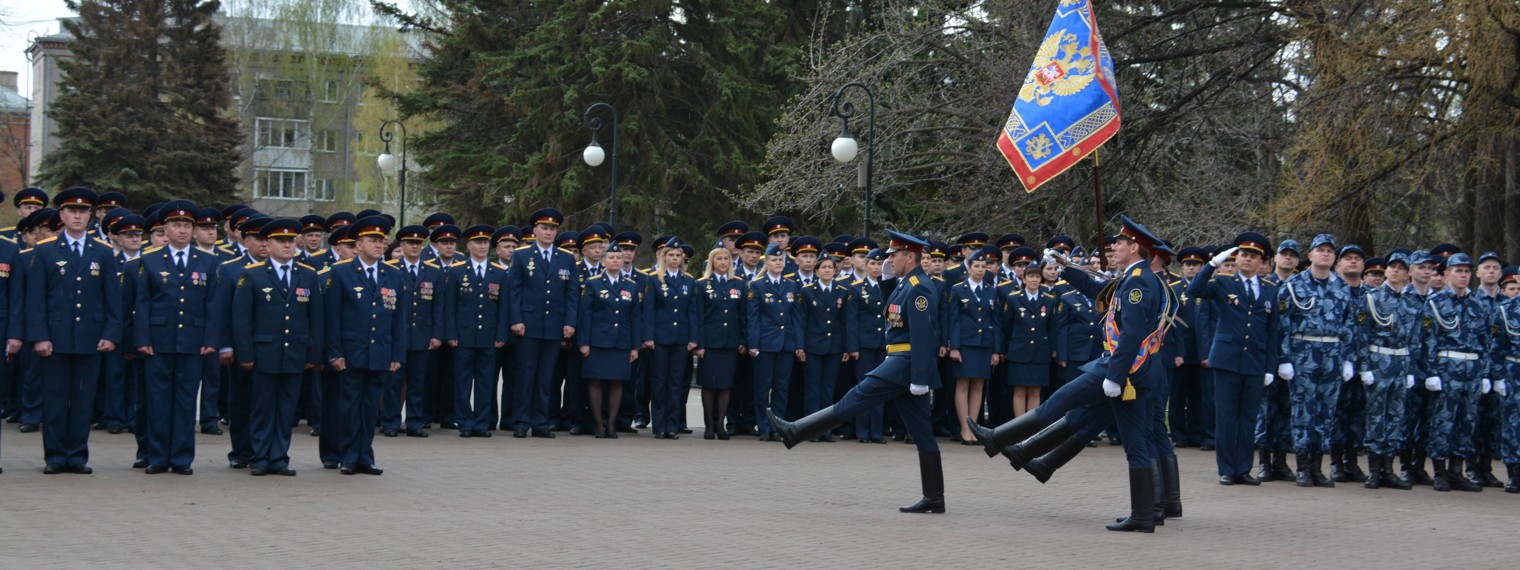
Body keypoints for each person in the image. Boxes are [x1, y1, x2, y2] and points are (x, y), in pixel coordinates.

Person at [970, 217, 1179, 532]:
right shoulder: (1134, 277)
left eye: (1119, 244)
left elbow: (1133, 333)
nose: (1113, 248)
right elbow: (1099, 290)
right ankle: (1144, 515)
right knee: (1136, 442)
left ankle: (998, 439)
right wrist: (1064, 269)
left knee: (1059, 401)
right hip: (1130, 370)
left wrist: (1115, 376)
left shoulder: (1139, 281)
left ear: (1134, 247)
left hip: (1122, 369)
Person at [770, 230, 947, 513]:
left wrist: (920, 378)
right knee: (923, 432)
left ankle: (796, 431)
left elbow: (924, 335)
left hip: (905, 364)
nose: (889, 259)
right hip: (902, 363)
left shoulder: (921, 287)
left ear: (910, 256)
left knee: (856, 396)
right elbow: (895, 313)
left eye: (894, 255)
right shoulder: (908, 283)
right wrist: (889, 281)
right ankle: (935, 497)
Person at [27, 187, 123, 475]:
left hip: (90, 338)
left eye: (83, 211)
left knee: (83, 400)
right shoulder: (45, 250)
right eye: (71, 211)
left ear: (91, 216)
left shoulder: (104, 252)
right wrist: (40, 336)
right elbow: (36, 298)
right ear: (62, 214)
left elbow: (112, 299)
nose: (77, 215)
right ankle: (55, 456)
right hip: (54, 338)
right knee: (55, 399)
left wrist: (110, 333)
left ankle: (77, 455)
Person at [231, 219, 323, 476]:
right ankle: (260, 457)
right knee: (262, 408)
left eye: (291, 241)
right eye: (280, 241)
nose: (286, 245)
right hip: (264, 354)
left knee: (285, 409)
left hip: (294, 353)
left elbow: (315, 319)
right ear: (267, 244)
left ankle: (279, 457)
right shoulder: (252, 274)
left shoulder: (308, 274)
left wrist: (312, 353)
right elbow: (242, 319)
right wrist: (245, 354)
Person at [137, 201, 220, 476]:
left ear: (193, 230)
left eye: (187, 226)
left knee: (186, 402)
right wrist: (142, 338)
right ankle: (158, 457)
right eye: (176, 225)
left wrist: (210, 338)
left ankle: (182, 458)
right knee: (159, 401)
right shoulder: (149, 260)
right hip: (158, 341)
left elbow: (212, 304)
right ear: (165, 229)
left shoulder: (208, 261)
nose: (182, 231)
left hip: (193, 342)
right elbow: (143, 303)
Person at [321, 216, 405, 475]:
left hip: (379, 352)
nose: (379, 245)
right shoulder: (341, 272)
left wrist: (397, 353)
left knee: (370, 409)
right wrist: (334, 352)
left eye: (381, 241)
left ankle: (365, 456)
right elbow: (332, 317)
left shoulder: (393, 274)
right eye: (372, 241)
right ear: (358, 245)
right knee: (349, 407)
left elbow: (399, 320)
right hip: (351, 352)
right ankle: (348, 456)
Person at [1274, 234, 1358, 488]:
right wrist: (1284, 358)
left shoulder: (1342, 288)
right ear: (1310, 255)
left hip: (1332, 354)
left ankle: (1317, 467)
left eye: (1330, 251)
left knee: (1326, 412)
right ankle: (1302, 466)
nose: (1325, 254)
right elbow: (1282, 325)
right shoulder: (1293, 285)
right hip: (1303, 353)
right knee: (1303, 410)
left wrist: (1348, 360)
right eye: (1320, 250)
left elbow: (1349, 327)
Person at [1420, 253, 1489, 492]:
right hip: (1447, 368)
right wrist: (1431, 372)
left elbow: (1486, 342)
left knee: (1467, 422)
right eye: (1458, 271)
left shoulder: (1478, 303)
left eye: (1467, 271)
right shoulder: (1435, 303)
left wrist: (1485, 374)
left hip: (1472, 370)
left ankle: (1457, 470)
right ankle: (1439, 471)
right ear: (1447, 273)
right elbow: (1428, 341)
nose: (1463, 275)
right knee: (1443, 421)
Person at [507, 208, 578, 439]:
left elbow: (571, 293)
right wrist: (516, 319)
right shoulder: (521, 255)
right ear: (535, 230)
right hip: (528, 324)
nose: (549, 232)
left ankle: (540, 422)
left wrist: (569, 322)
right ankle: (520, 422)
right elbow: (514, 291)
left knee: (546, 377)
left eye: (553, 228)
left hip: (554, 324)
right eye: (545, 228)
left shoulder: (566, 257)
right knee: (525, 375)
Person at [1355, 251, 1418, 490]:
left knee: (1395, 417)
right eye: (1392, 267)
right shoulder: (1372, 298)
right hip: (1378, 361)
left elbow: (1415, 339)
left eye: (1401, 268)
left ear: (1407, 273)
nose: (1396, 271)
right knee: (1375, 416)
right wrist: (1364, 366)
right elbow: (1361, 334)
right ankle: (1374, 469)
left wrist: (1411, 369)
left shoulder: (1412, 301)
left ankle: (1388, 468)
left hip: (1401, 363)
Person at [443, 225, 510, 438]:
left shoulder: (498, 273)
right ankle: (464, 422)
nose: (482, 246)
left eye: (485, 242)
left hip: (488, 337)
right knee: (462, 382)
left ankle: (481, 423)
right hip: (463, 336)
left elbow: (503, 308)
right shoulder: (456, 271)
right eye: (477, 242)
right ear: (469, 245)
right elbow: (450, 306)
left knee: (485, 382)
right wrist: (451, 334)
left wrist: (501, 335)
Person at [383, 225, 445, 438]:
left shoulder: (433, 272)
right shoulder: (390, 268)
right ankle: (390, 421)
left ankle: (414, 422)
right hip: (397, 336)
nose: (415, 247)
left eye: (419, 243)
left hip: (422, 335)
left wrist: (437, 334)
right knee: (394, 382)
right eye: (410, 243)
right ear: (401, 245)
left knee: (418, 382)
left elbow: (438, 306)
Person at [578, 244, 641, 438]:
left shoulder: (631, 285)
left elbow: (635, 318)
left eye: (619, 258)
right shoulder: (593, 283)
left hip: (621, 342)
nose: (615, 261)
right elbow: (585, 315)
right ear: (603, 260)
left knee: (617, 383)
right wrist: (584, 342)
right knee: (596, 382)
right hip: (598, 341)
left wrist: (635, 346)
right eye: (611, 257)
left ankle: (612, 424)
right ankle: (598, 424)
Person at [748, 243, 804, 441]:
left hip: (786, 343)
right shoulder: (757, 285)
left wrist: (799, 344)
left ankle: (778, 426)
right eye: (774, 260)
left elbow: (796, 317)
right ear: (767, 262)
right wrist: (753, 344)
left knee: (782, 386)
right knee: (763, 387)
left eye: (781, 260)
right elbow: (753, 318)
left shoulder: (791, 286)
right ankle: (764, 426)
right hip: (765, 343)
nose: (778, 263)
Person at [945, 249, 1000, 444]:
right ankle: (964, 428)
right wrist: (954, 346)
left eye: (983, 267)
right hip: (965, 343)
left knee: (978, 385)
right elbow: (953, 320)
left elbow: (996, 321)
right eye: (976, 266)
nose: (980, 270)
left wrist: (996, 350)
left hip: (984, 344)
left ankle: (974, 427)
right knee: (962, 384)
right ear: (969, 268)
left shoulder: (991, 290)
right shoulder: (958, 289)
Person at [695, 246, 746, 440]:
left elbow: (742, 316)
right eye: (719, 259)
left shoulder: (739, 284)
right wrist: (699, 344)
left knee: (725, 385)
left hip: (730, 342)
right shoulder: (702, 285)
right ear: (712, 262)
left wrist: (743, 340)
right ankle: (709, 424)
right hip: (710, 343)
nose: (723, 262)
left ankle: (720, 424)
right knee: (709, 385)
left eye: (726, 259)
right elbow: (699, 316)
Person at [847, 247, 891, 444]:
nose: (876, 267)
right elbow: (852, 321)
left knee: (880, 387)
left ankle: (876, 431)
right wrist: (853, 347)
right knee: (864, 387)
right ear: (865, 265)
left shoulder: (889, 286)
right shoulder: (857, 288)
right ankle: (862, 430)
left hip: (883, 345)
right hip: (864, 344)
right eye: (872, 263)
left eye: (879, 263)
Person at [1002, 257, 1055, 419]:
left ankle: (1030, 428)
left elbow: (1052, 327)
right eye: (1030, 276)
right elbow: (1006, 326)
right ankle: (1018, 427)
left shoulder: (1049, 300)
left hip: (1040, 351)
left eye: (1037, 276)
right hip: (1019, 351)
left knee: (1035, 391)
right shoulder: (1013, 299)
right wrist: (1005, 350)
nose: (1034, 280)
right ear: (1024, 279)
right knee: (1019, 391)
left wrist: (1053, 350)